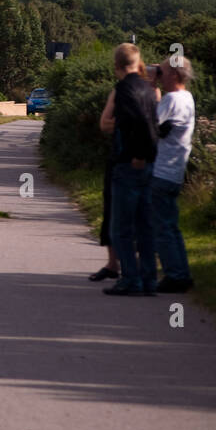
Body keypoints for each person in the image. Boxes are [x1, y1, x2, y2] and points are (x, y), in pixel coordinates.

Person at [98, 43, 159, 296]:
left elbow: (139, 123)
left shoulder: (124, 89)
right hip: (150, 165)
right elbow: (153, 123)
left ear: (117, 66)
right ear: (138, 62)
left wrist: (137, 154)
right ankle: (148, 279)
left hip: (128, 163)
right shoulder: (150, 89)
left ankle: (130, 280)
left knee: (121, 227)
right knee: (145, 225)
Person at [151, 58, 196, 292]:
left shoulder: (170, 99)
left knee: (163, 227)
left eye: (164, 71)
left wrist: (151, 90)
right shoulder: (187, 97)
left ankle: (175, 275)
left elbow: (148, 125)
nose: (160, 74)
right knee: (171, 225)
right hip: (176, 171)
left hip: (162, 170)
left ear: (175, 75)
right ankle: (182, 273)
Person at [87, 88, 121, 281]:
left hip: (135, 164)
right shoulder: (122, 92)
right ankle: (114, 264)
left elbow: (105, 123)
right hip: (123, 161)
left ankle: (136, 271)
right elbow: (104, 124)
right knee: (113, 213)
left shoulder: (153, 95)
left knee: (129, 217)